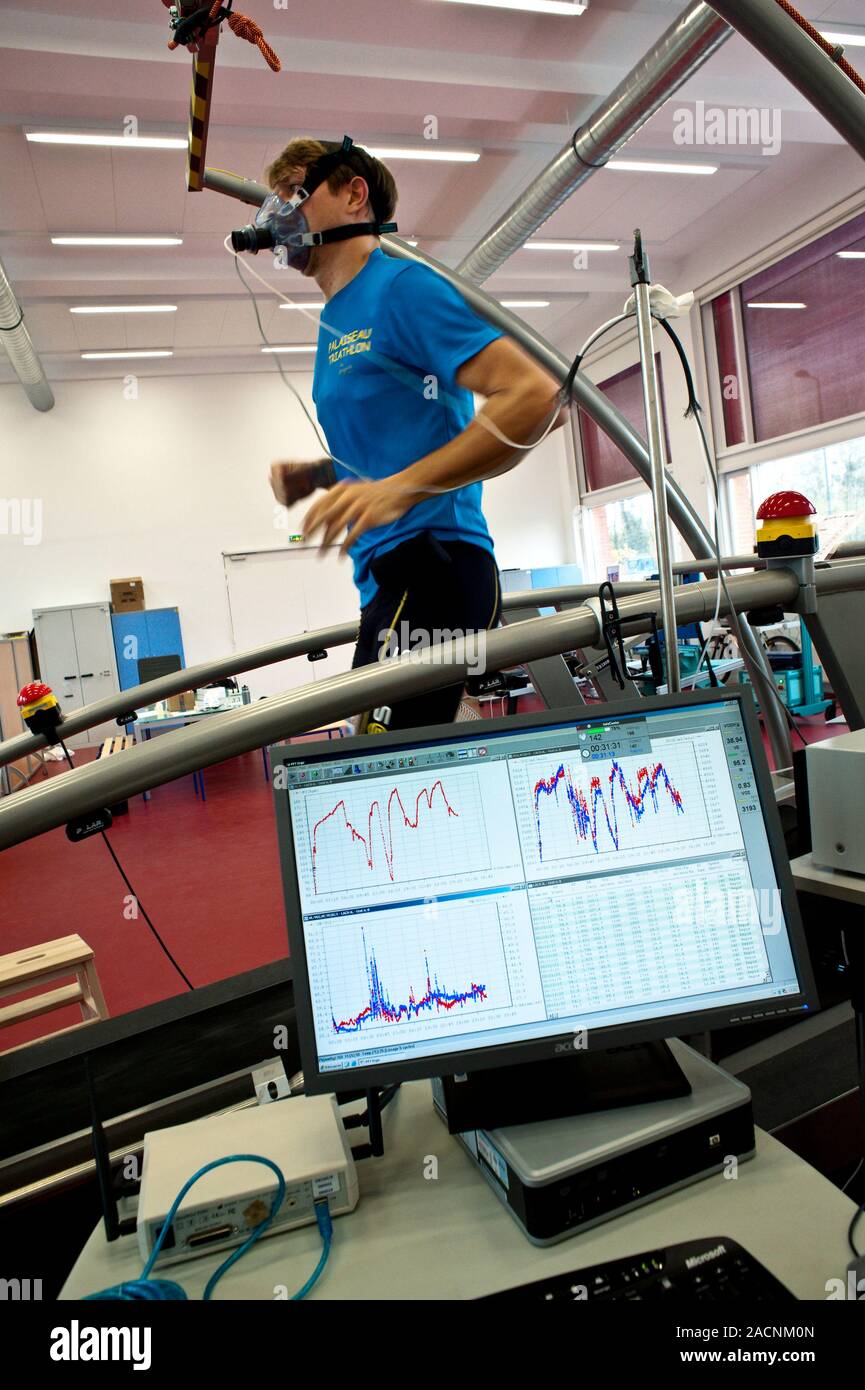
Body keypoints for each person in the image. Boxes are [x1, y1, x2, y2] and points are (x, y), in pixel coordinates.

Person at [268, 136, 565, 732]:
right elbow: (398, 447)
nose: (281, 215)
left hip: (436, 565)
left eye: (296, 193)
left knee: (383, 770)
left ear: (355, 194)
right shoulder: (336, 319)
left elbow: (534, 397)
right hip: (387, 579)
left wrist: (402, 490)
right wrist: (321, 474)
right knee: (389, 767)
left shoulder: (400, 288)